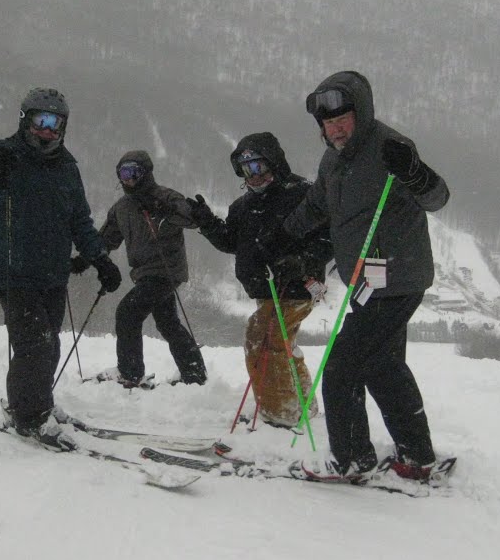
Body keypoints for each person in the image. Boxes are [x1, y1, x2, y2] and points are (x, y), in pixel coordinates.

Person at [283, 70, 450, 484]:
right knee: (382, 366)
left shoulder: (391, 148)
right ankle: (416, 456)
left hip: (397, 276)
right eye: (328, 123)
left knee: (342, 368)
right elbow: (316, 206)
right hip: (368, 282)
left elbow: (436, 197)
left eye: (343, 119)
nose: (336, 129)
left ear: (361, 113)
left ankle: (353, 458)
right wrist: (282, 237)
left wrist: (413, 171)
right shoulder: (332, 160)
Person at [0, 87, 123, 451]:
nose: (49, 130)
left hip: (53, 272)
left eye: (57, 123)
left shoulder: (66, 167)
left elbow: (79, 220)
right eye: (42, 121)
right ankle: (30, 418)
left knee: (49, 346)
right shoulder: (2, 158)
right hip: (12, 271)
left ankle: (35, 405)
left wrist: (100, 259)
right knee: (35, 343)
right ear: (26, 120)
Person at [188, 132, 333, 430]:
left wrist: (302, 261)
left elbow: (329, 238)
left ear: (274, 163)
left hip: (296, 285)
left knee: (263, 337)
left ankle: (279, 414)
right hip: (264, 289)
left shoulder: (301, 194)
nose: (253, 175)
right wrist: (207, 222)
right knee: (279, 341)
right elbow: (230, 242)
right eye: (246, 169)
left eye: (258, 166)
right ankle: (301, 404)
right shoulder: (242, 206)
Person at [74, 150, 208, 388]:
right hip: (144, 274)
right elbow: (106, 239)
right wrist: (84, 261)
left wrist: (165, 209)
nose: (128, 179)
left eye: (133, 172)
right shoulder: (122, 207)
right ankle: (194, 373)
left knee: (127, 313)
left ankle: (130, 373)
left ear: (146, 172)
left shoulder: (165, 197)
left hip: (166, 271)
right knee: (167, 322)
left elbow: (192, 219)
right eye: (123, 174)